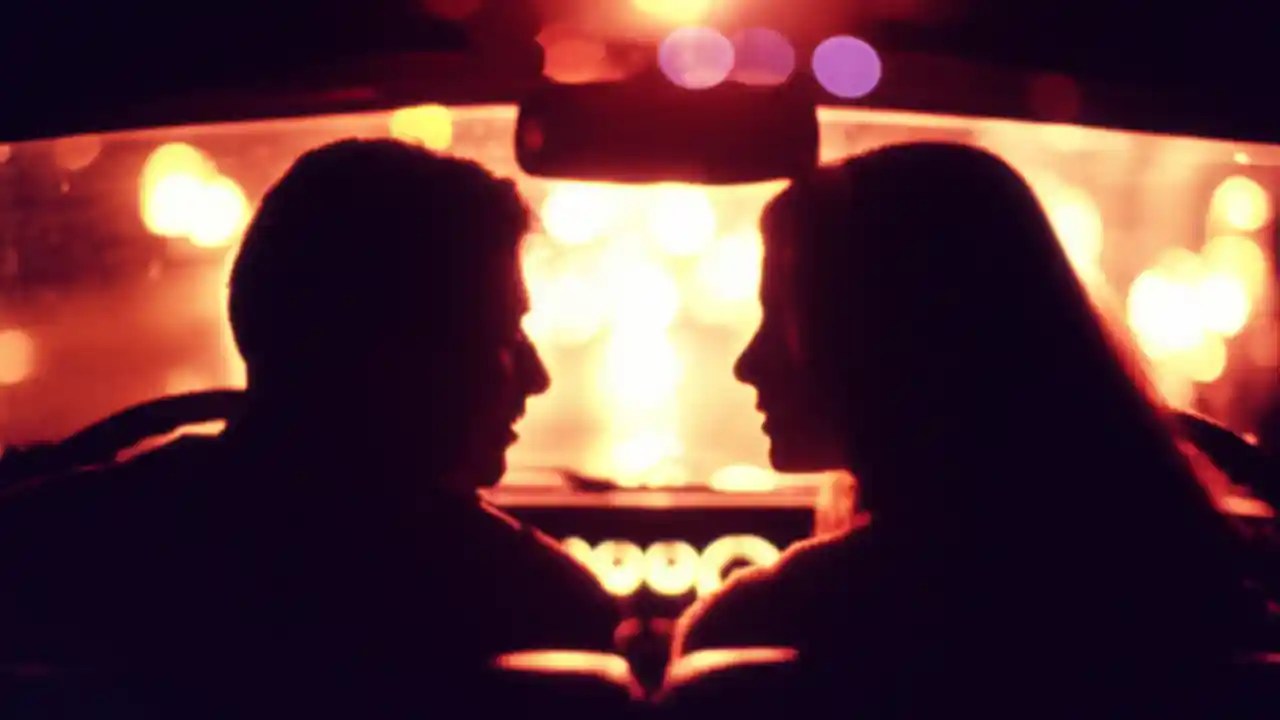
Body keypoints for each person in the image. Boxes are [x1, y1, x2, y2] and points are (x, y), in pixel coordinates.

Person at [0, 140, 618, 711]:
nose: (537, 376)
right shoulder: (540, 609)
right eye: (503, 331)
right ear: (391, 356)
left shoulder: (39, 551)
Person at [670, 143, 1262, 715]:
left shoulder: (760, 629)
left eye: (783, 317)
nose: (748, 362)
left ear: (887, 336)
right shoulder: (1213, 598)